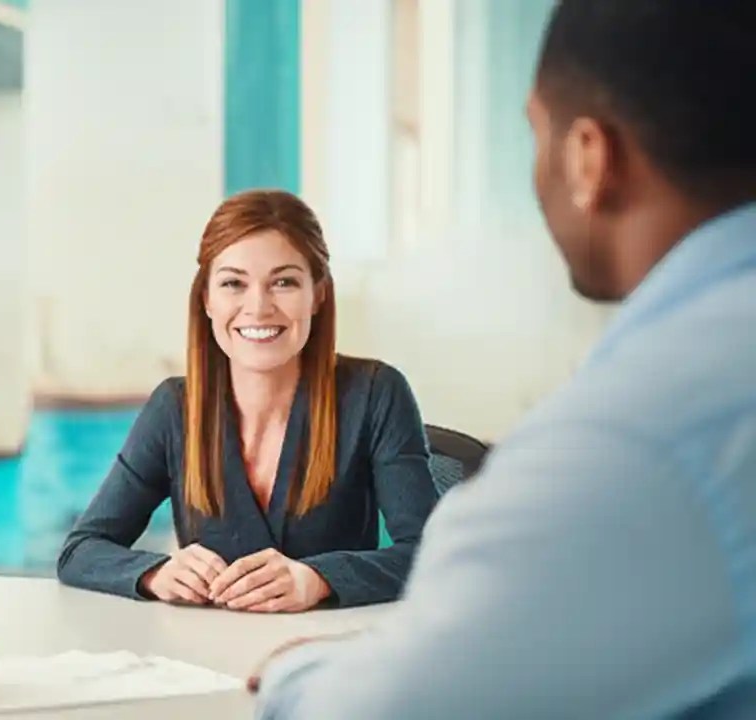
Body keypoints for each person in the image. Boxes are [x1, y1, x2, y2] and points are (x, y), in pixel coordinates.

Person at [253, 0, 756, 716]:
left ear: (590, 157)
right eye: (235, 284)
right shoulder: (181, 406)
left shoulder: (644, 433)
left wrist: (295, 671)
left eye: (537, 134)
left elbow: (396, 705)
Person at [57, 190, 439, 612]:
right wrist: (156, 573)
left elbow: (431, 555)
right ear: (206, 299)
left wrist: (318, 580)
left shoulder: (376, 394)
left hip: (329, 656)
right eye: (233, 283)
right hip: (206, 660)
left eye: (284, 282)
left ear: (318, 294)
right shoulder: (174, 408)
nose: (258, 307)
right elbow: (81, 550)